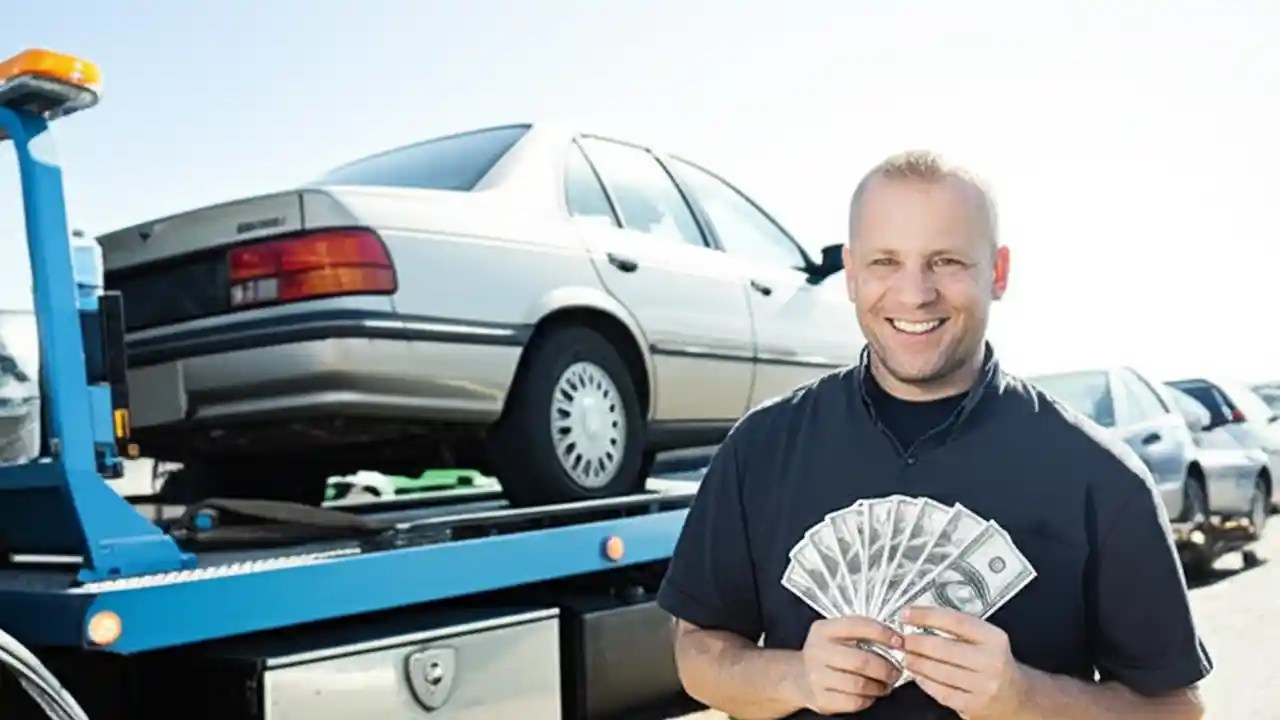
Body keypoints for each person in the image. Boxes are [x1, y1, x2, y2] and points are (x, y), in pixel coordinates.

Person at [655, 150, 1212, 719]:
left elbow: (1175, 710)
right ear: (850, 274)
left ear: (997, 272)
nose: (914, 293)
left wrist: (1025, 699)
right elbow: (699, 652)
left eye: (945, 261)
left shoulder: (1100, 476)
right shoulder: (762, 449)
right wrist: (792, 677)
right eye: (885, 262)